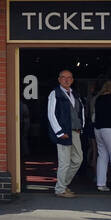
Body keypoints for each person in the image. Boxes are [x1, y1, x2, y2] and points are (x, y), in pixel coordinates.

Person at [46, 69, 86, 198]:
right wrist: (59, 132)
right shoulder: (55, 93)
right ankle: (60, 189)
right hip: (63, 132)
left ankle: (63, 185)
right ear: (59, 79)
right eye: (63, 77)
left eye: (69, 77)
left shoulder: (76, 94)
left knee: (78, 160)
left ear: (72, 80)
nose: (66, 80)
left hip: (75, 131)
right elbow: (51, 114)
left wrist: (82, 126)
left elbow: (81, 111)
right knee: (65, 162)